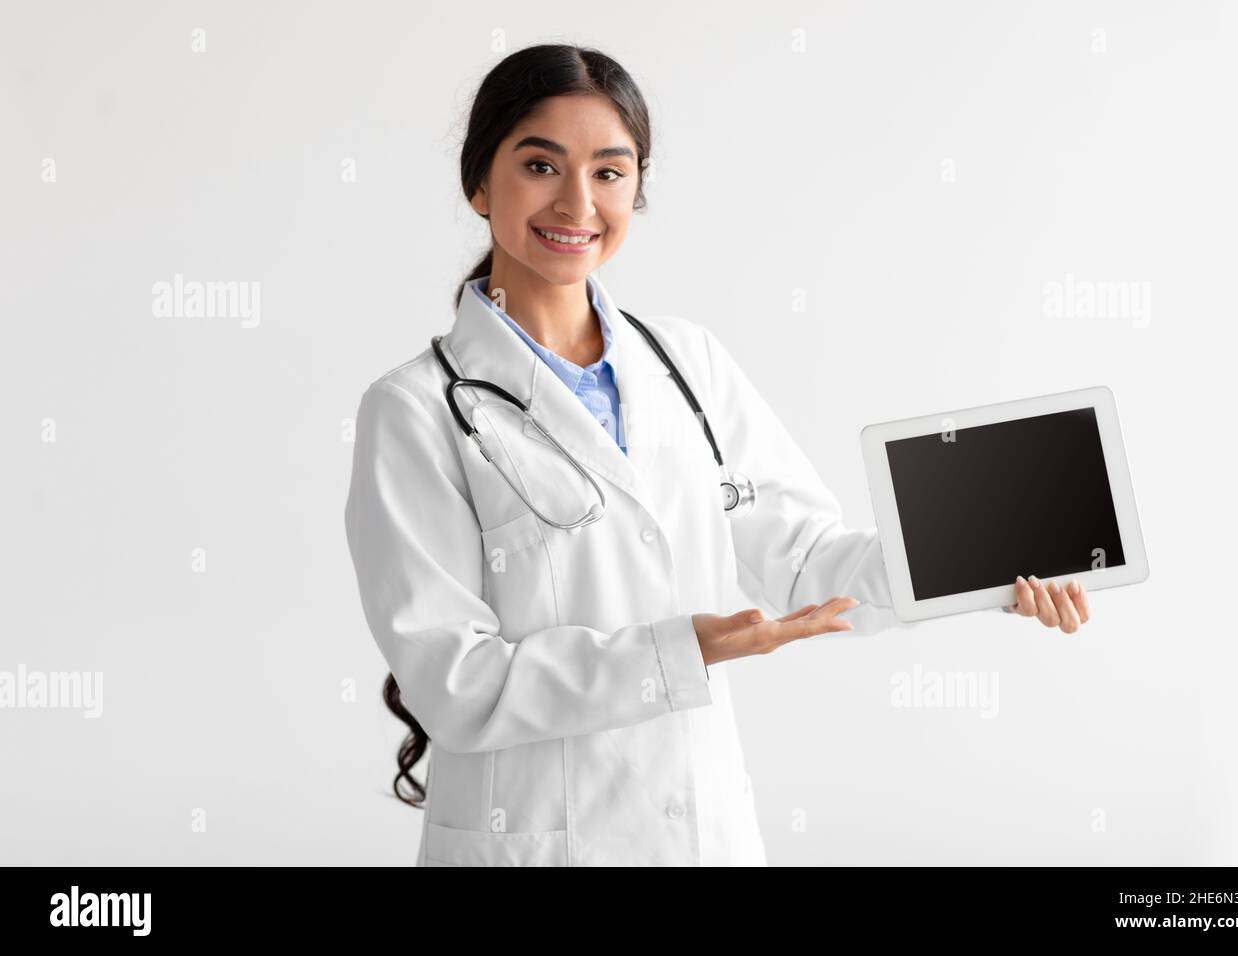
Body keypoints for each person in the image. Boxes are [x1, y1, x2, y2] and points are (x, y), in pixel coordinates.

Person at [342, 43, 1092, 867]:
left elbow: (808, 566)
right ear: (479, 183)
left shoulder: (687, 364)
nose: (577, 201)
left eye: (610, 171)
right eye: (540, 164)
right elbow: (456, 684)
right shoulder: (415, 410)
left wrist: (980, 565)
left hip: (703, 839)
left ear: (638, 188)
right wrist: (683, 651)